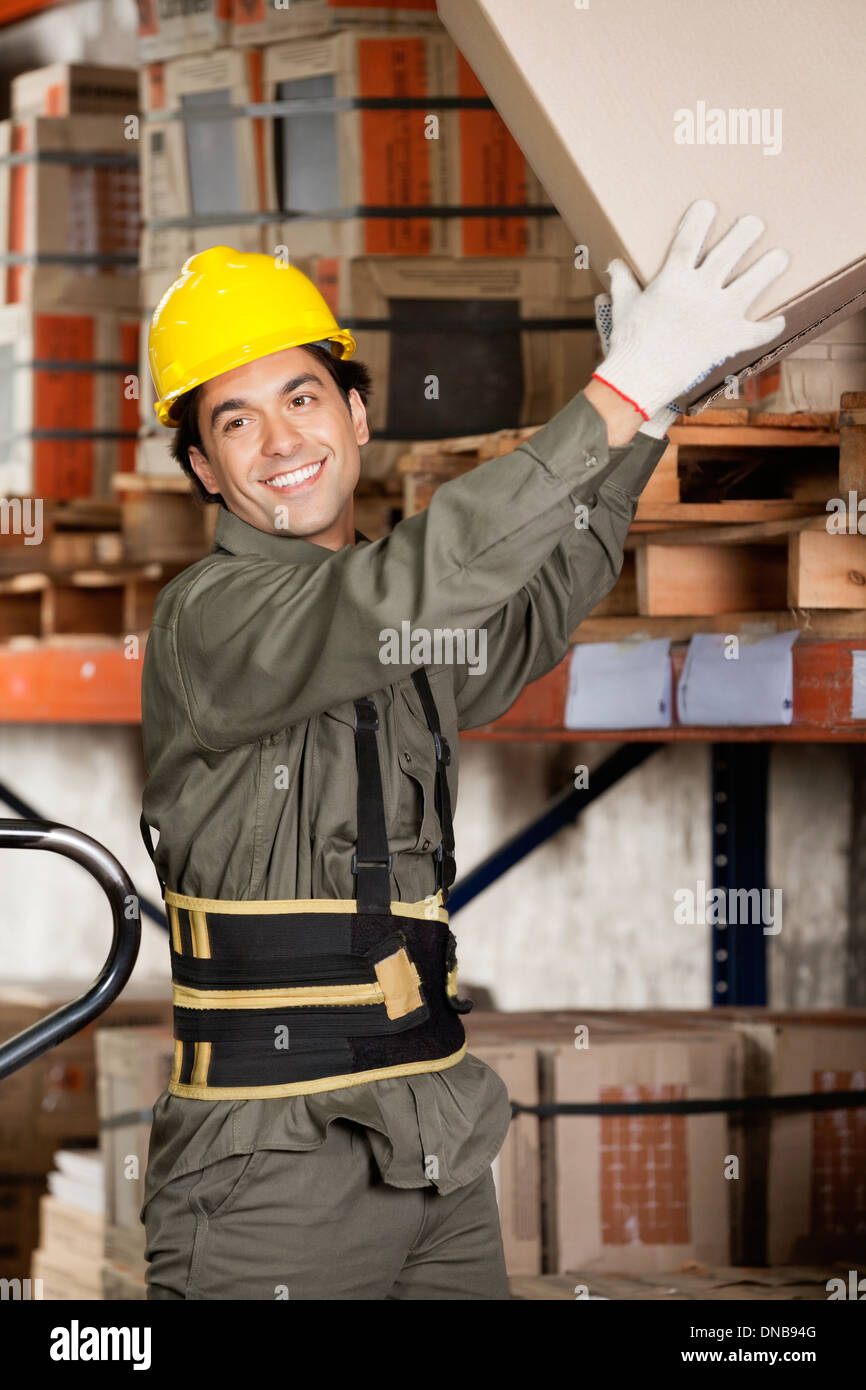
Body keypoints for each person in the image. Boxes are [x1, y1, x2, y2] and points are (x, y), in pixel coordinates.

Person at [138, 201, 788, 1300]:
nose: (283, 441)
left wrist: (649, 417)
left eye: (301, 398)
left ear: (354, 412)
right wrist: (612, 393)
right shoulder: (213, 618)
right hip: (267, 1166)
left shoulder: (393, 606)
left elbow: (523, 615)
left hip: (432, 1136)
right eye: (236, 422)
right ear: (204, 469)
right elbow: (408, 587)